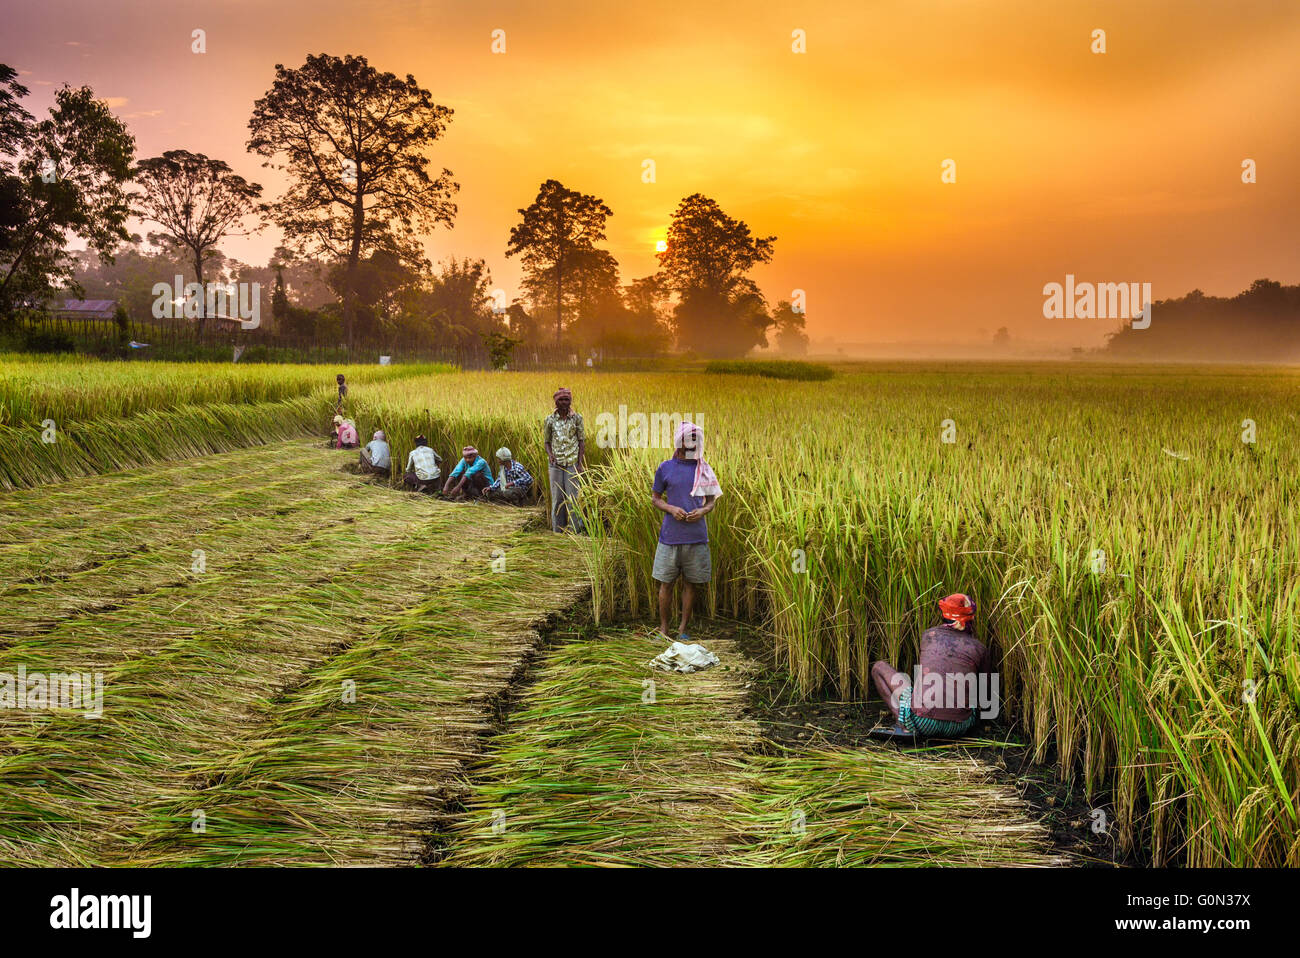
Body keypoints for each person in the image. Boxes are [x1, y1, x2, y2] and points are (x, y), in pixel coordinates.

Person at [870, 593, 992, 739]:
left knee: (879, 667)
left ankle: (902, 725)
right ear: (971, 617)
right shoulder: (979, 648)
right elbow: (986, 694)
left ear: (944, 613)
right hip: (959, 727)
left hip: (923, 723)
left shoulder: (928, 636)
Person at [651, 421, 721, 642]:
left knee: (691, 583)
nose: (692, 444)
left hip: (696, 536)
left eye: (695, 439)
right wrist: (671, 509)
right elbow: (656, 499)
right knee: (666, 583)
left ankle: (682, 630)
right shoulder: (665, 468)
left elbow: (711, 502)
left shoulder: (704, 469)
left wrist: (702, 512)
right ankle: (664, 629)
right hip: (670, 537)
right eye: (688, 439)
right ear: (679, 441)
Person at [544, 387, 585, 532]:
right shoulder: (549, 420)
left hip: (572, 463)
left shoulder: (577, 418)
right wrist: (550, 454)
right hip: (555, 464)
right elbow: (547, 441)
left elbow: (581, 441)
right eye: (561, 400)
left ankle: (575, 531)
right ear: (556, 402)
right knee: (557, 499)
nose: (564, 402)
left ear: (570, 401)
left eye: (566, 400)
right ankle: (558, 531)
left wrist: (580, 463)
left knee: (573, 498)